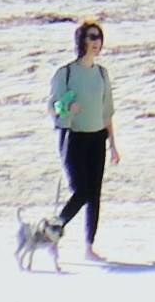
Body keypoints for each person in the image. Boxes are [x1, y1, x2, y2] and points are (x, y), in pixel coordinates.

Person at [46, 18, 119, 261]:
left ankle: (89, 247)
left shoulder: (101, 73)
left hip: (97, 138)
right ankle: (55, 227)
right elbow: (53, 105)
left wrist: (113, 145)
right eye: (92, 37)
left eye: (99, 37)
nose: (96, 42)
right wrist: (67, 107)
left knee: (95, 194)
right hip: (73, 137)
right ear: (82, 41)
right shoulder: (65, 72)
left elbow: (107, 110)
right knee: (81, 191)